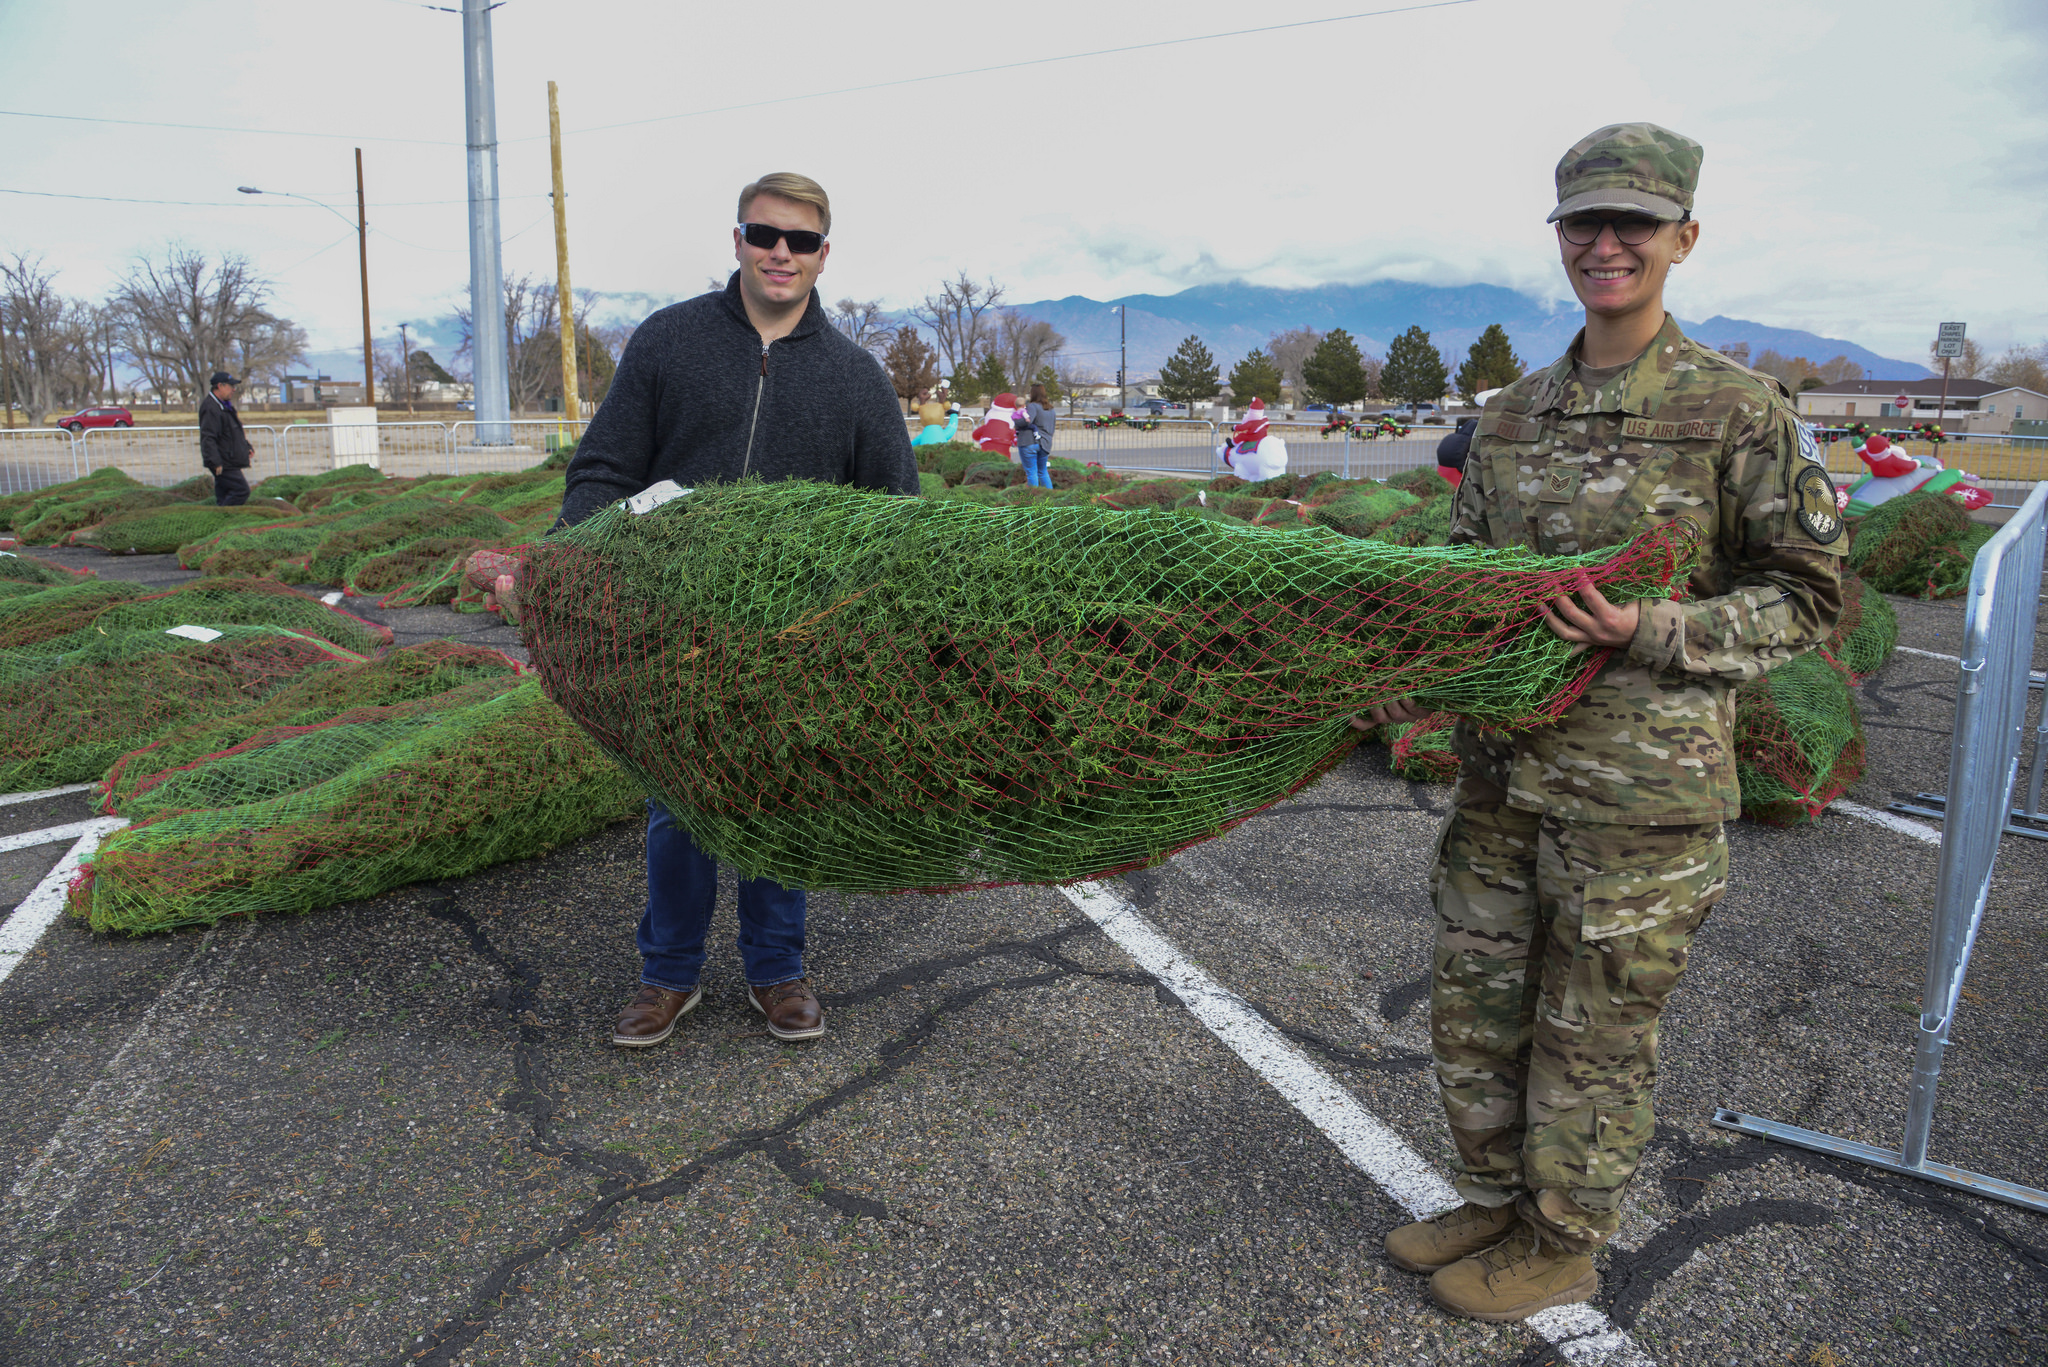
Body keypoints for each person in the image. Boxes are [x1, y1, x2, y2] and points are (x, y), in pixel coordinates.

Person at [1365, 123, 1844, 1322]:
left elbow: (1806, 596)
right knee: (1475, 1008)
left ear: (1683, 236)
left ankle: (1561, 1240)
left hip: (1638, 802)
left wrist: (1653, 629)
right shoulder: (1510, 414)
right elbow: (1467, 582)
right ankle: (1492, 1198)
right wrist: (1409, 666)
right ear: (1559, 237)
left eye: (1634, 221)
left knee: (1590, 1034)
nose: (1606, 243)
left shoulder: (1736, 411)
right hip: (1501, 780)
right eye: (1583, 221)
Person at [555, 172, 919, 1049]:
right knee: (677, 804)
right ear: (738, 241)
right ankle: (668, 974)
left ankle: (777, 969)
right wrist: (572, 550)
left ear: (824, 255)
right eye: (765, 234)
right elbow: (605, 468)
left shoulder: (854, 377)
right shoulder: (670, 341)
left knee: (779, 794)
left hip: (795, 633)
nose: (780, 253)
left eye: (800, 240)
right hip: (674, 621)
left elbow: (896, 512)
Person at [198, 371, 253, 506]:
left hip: (229, 458)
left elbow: (232, 432)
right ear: (220, 386)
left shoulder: (224, 405)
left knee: (224, 493)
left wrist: (246, 446)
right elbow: (208, 437)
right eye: (231, 386)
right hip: (223, 461)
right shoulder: (211, 407)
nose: (233, 390)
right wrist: (215, 461)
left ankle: (221, 513)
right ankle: (225, 514)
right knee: (241, 490)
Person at [1018, 383, 1057, 488]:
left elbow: (1027, 421)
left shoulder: (1033, 406)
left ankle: (1033, 496)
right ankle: (1049, 495)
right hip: (1045, 443)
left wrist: (1016, 422)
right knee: (1042, 472)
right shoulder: (1051, 409)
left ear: (1033, 394)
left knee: (1031, 473)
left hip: (1029, 442)